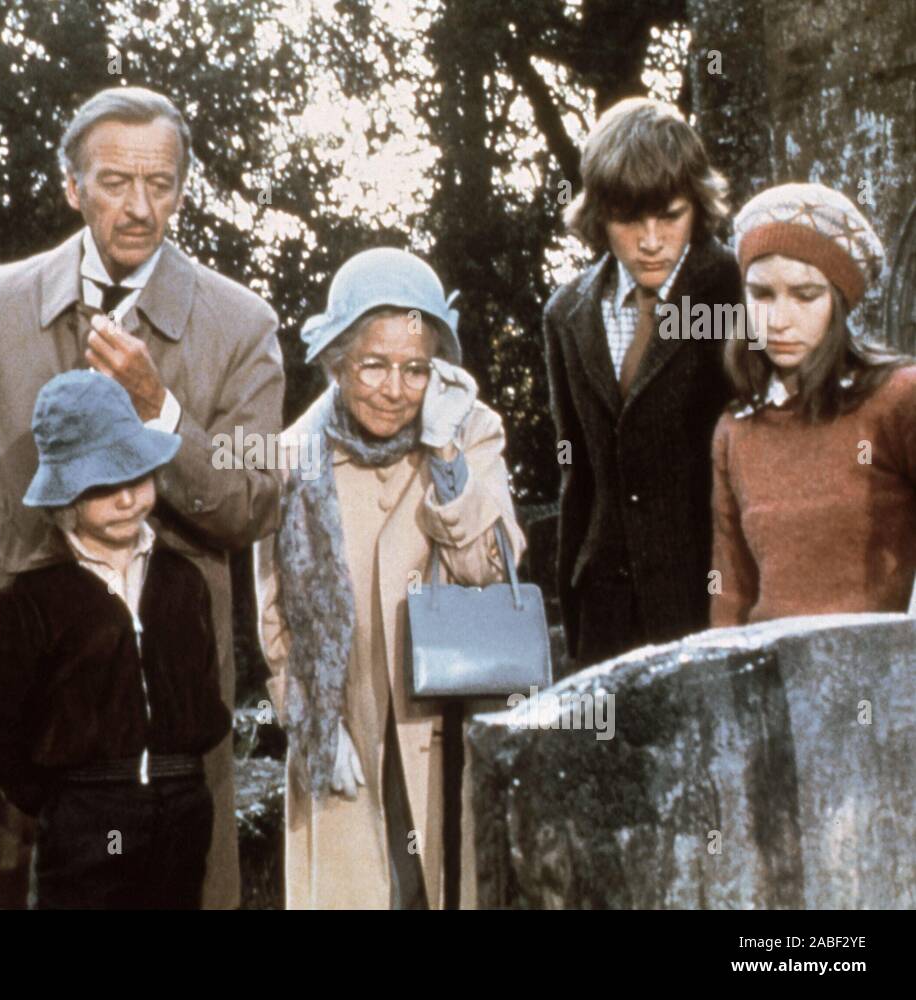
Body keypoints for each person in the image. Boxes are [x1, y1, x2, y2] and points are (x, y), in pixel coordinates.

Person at [0, 86, 284, 909]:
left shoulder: (242, 324)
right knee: (21, 892)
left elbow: (253, 504)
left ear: (184, 189)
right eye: (115, 182)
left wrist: (160, 410)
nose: (141, 207)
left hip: (161, 718)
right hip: (22, 693)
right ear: (72, 186)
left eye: (162, 184)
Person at [254, 248, 524, 909]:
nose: (395, 388)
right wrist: (310, 717)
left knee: (450, 884)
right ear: (337, 362)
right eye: (372, 365)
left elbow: (490, 567)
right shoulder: (292, 455)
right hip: (344, 720)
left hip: (450, 716)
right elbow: (274, 611)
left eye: (414, 369)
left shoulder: (470, 431)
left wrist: (447, 454)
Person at [0, 370, 230, 909]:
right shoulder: (25, 601)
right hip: (84, 818)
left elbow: (207, 687)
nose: (129, 497)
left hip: (182, 806)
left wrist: (184, 782)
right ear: (65, 492)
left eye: (137, 473)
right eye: (105, 484)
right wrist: (65, 800)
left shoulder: (183, 582)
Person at [544, 97, 744, 668]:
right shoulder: (567, 313)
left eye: (671, 215)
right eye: (630, 219)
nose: (652, 239)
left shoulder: (736, 287)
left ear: (698, 207)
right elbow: (576, 477)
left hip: (708, 598)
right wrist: (576, 614)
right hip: (606, 613)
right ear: (599, 216)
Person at [711, 182, 916, 625]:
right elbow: (730, 590)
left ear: (839, 302)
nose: (778, 319)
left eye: (805, 295)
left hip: (880, 679)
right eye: (762, 294)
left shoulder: (899, 399)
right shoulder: (736, 429)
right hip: (773, 682)